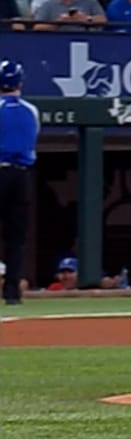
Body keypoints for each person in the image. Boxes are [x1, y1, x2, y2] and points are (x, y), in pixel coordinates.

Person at [0, 60, 37, 306]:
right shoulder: (31, 110)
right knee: (16, 237)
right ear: (20, 83)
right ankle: (12, 292)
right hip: (22, 175)